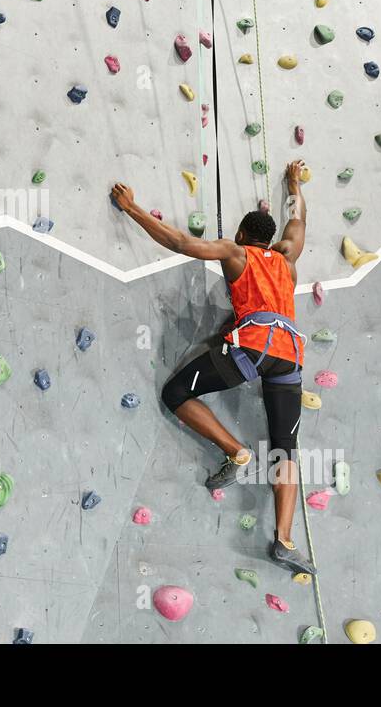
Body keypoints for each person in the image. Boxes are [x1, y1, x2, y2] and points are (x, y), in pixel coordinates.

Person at [110, 160, 315, 576]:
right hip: (290, 354)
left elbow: (183, 244)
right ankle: (285, 540)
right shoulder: (288, 258)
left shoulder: (237, 252)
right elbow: (297, 220)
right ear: (270, 239)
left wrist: (132, 208)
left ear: (242, 235)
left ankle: (236, 451)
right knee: (285, 449)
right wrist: (293, 180)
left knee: (176, 394)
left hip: (253, 348)